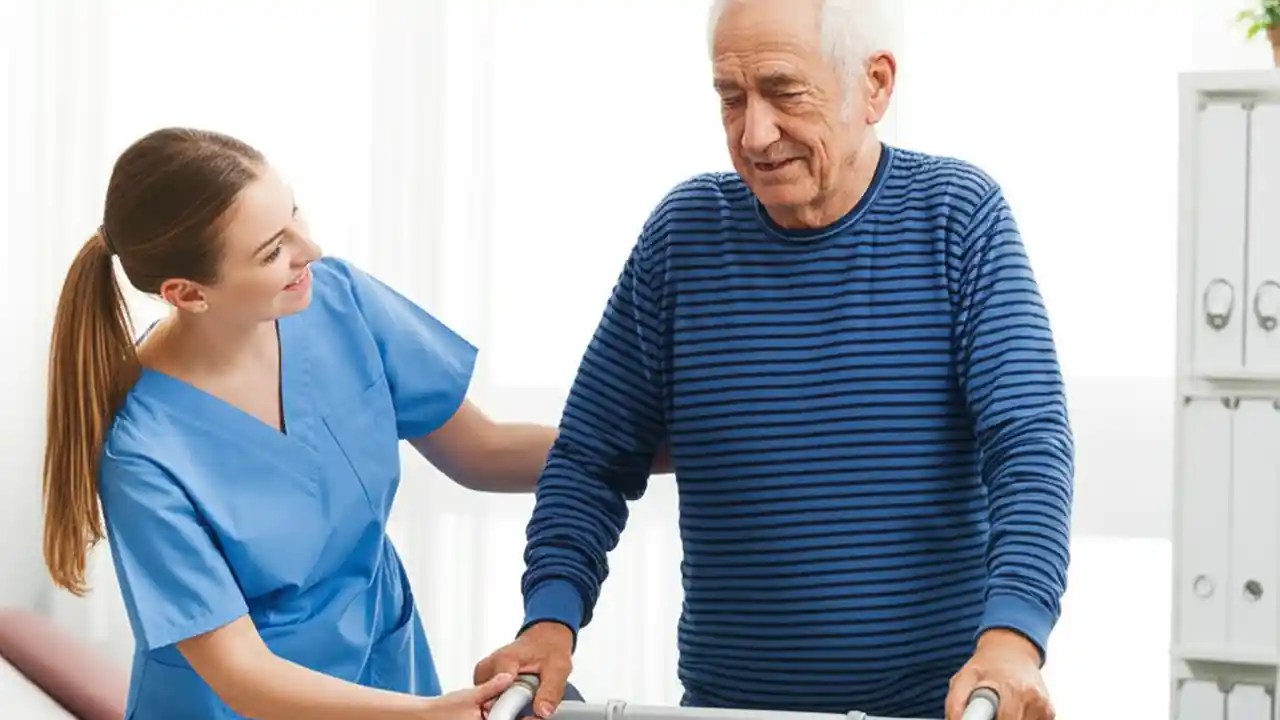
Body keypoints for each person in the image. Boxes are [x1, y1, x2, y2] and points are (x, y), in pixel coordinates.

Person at [473, 1, 1073, 719]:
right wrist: (549, 619)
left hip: (928, 706)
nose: (754, 134)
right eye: (732, 98)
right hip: (728, 705)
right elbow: (593, 459)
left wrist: (1013, 639)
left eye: (785, 93)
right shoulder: (683, 236)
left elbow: (1029, 448)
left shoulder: (957, 217)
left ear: (874, 86)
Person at [40, 127, 554, 719]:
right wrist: (427, 715)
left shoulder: (338, 301)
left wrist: (671, 448)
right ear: (187, 294)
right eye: (271, 250)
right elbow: (240, 672)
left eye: (293, 215)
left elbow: (480, 451)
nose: (308, 248)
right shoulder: (143, 452)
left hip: (384, 667)